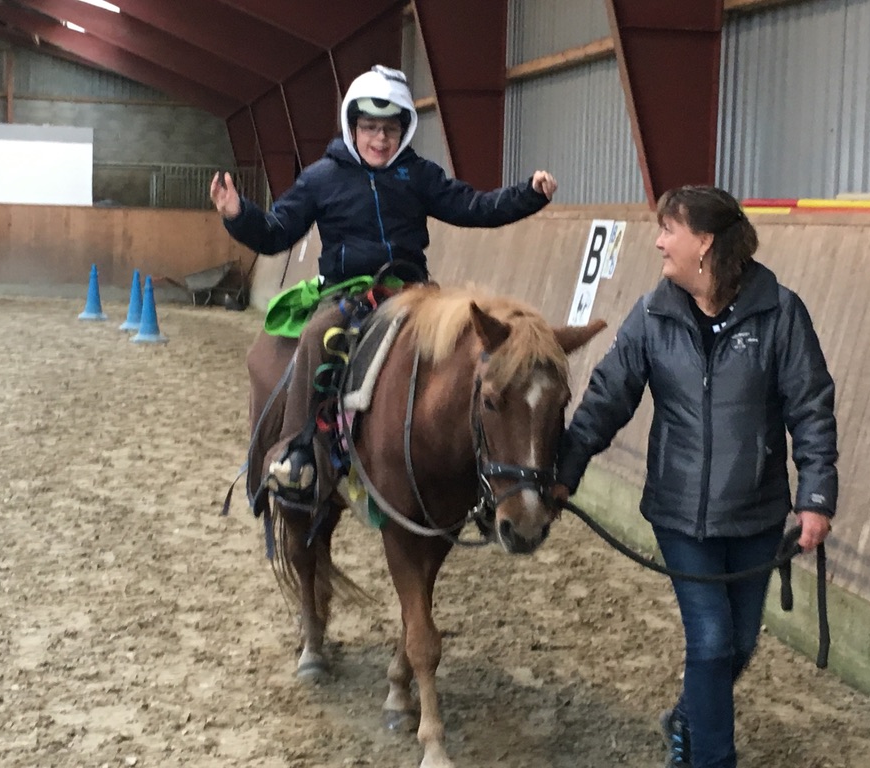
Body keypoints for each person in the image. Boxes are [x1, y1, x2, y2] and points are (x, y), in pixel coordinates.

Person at [553, 185, 837, 768]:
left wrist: (815, 496)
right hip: (680, 513)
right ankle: (710, 758)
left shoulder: (780, 312)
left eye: (669, 229)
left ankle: (685, 716)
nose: (659, 240)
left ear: (704, 242)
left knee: (739, 644)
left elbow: (811, 405)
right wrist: (566, 469)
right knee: (709, 641)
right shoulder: (652, 315)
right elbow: (608, 397)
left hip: (756, 511)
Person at [210, 64, 558, 507]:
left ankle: (480, 466)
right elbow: (276, 232)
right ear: (352, 127)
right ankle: (297, 451)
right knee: (317, 335)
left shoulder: (419, 175)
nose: (380, 139)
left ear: (404, 130)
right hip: (349, 291)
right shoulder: (321, 178)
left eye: (390, 129)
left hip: (412, 291)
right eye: (370, 127)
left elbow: (474, 206)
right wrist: (239, 214)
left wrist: (527, 194)